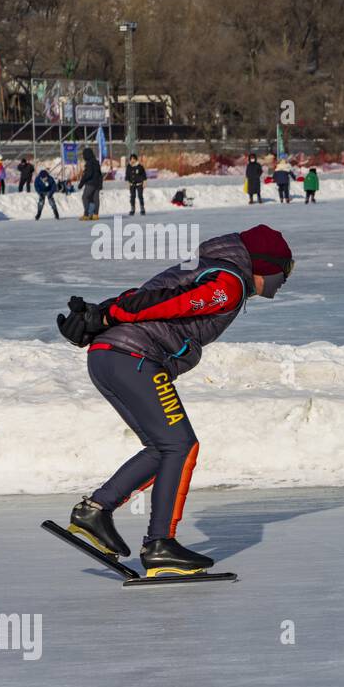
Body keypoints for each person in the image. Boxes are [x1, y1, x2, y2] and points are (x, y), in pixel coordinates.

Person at [54, 226, 295, 578]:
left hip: (109, 356)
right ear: (265, 266)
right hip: (134, 358)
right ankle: (159, 544)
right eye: (283, 272)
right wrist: (106, 316)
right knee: (181, 446)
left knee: (161, 447)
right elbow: (165, 303)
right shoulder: (228, 284)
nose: (283, 282)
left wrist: (98, 318)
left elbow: (149, 295)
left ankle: (96, 511)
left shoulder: (210, 266)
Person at [78, 147, 103, 220]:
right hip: (97, 184)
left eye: (84, 155)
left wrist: (81, 183)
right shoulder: (96, 162)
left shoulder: (89, 163)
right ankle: (95, 214)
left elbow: (88, 174)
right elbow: (100, 174)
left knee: (85, 197)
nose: (83, 157)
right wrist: (100, 184)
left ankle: (87, 214)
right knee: (94, 199)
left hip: (90, 183)